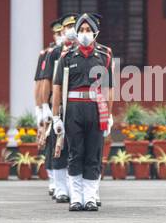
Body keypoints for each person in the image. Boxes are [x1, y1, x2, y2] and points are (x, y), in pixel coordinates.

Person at [50, 13, 113, 212]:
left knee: (93, 154)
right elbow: (57, 89)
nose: (85, 33)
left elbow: (108, 90)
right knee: (75, 153)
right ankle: (76, 197)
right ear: (77, 33)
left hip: (96, 109)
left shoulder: (104, 56)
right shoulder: (67, 57)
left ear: (95, 32)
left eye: (88, 30)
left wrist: (109, 115)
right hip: (74, 110)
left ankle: (90, 197)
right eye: (82, 30)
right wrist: (56, 117)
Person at [38, 14, 78, 203]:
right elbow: (46, 81)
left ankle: (74, 187)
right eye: (67, 27)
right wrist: (45, 107)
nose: (70, 31)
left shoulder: (82, 51)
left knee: (77, 147)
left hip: (77, 105)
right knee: (58, 147)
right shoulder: (54, 53)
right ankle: (60, 187)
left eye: (74, 26)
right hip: (59, 105)